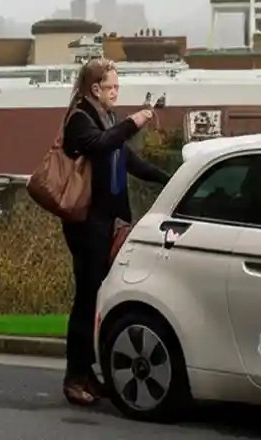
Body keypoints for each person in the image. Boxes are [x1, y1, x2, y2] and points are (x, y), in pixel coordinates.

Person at [59, 57, 172, 406]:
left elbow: (126, 160)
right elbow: (102, 144)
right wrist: (133, 121)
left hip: (108, 221)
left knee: (101, 297)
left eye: (117, 87)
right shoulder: (80, 118)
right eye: (111, 87)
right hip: (86, 224)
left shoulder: (105, 118)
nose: (116, 92)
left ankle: (90, 373)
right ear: (95, 89)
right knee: (87, 299)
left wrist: (169, 180)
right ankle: (74, 377)